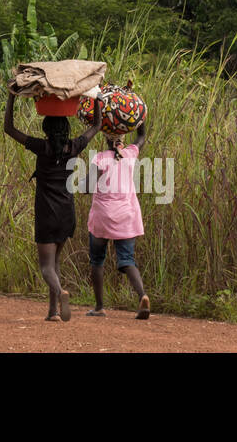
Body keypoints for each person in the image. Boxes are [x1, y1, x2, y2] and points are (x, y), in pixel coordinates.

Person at [4, 90, 100, 322]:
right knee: (56, 262)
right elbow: (96, 125)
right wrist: (96, 98)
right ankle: (53, 311)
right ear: (66, 129)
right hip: (67, 213)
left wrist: (12, 97)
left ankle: (61, 293)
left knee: (46, 267)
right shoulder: (75, 146)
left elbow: (9, 129)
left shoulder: (41, 147)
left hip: (47, 214)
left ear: (46, 129)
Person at [86, 116, 151, 320]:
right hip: (126, 214)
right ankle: (143, 296)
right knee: (127, 259)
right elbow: (141, 135)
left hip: (103, 216)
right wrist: (138, 115)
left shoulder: (100, 158)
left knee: (97, 260)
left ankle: (99, 307)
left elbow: (87, 187)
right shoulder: (130, 153)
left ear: (105, 138)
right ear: (123, 136)